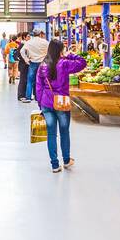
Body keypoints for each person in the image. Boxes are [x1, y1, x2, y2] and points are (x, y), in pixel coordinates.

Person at [35, 38, 87, 173]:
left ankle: (54, 165)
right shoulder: (64, 63)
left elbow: (39, 87)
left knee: (51, 134)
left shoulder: (42, 66)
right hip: (62, 103)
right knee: (64, 132)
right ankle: (66, 160)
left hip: (47, 103)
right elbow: (83, 63)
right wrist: (70, 54)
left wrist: (41, 105)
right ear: (60, 50)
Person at [20, 28, 49, 104]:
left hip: (32, 63)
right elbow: (50, 51)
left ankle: (28, 97)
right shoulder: (45, 42)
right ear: (40, 34)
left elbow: (22, 51)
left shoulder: (29, 42)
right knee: (41, 80)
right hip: (43, 63)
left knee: (30, 81)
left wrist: (26, 60)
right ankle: (39, 97)